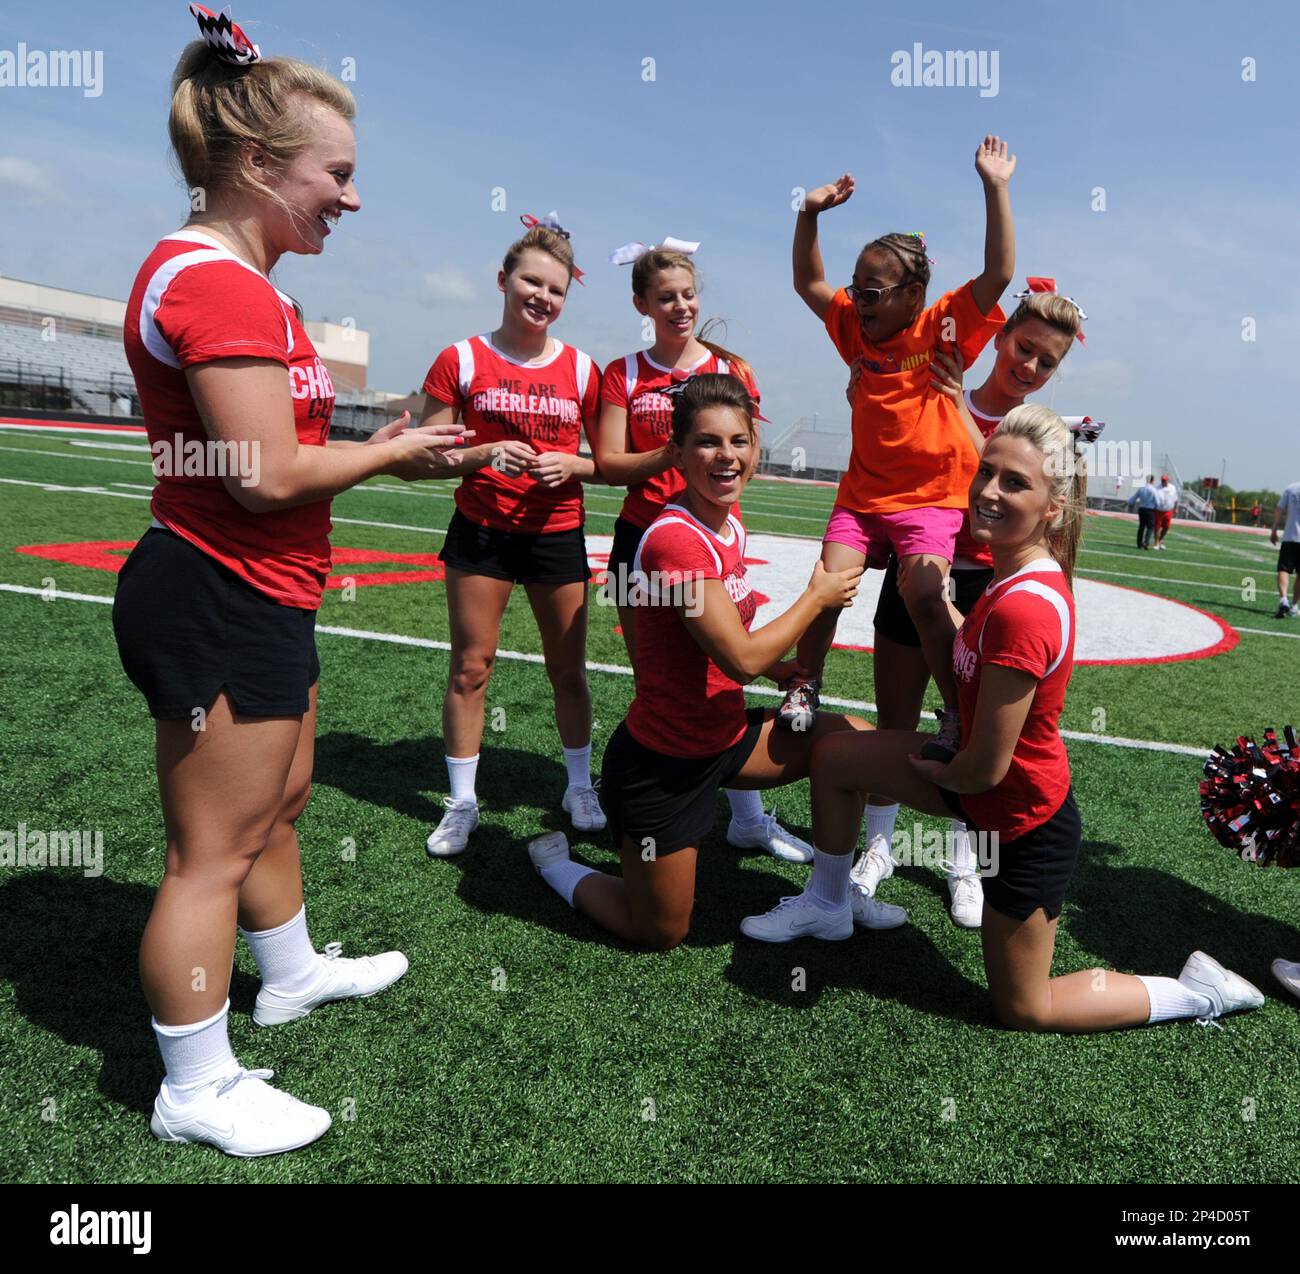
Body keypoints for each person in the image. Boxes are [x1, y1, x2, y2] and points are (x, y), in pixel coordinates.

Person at [113, 6, 467, 1156]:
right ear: (260, 166)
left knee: (279, 800)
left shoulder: (247, 280)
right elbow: (263, 472)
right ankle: (195, 1084)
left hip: (259, 584)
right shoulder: (219, 284)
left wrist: (387, 435)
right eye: (339, 174)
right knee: (207, 853)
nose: (353, 198)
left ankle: (292, 972)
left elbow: (276, 443)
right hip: (217, 584)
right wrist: (393, 452)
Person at [742, 407, 1265, 1035]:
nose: (988, 491)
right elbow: (964, 677)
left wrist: (922, 761)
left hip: (1018, 818)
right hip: (975, 788)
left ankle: (1196, 992)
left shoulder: (1025, 605)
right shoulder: (1004, 576)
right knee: (836, 758)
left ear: (1053, 506)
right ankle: (829, 903)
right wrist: (931, 613)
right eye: (985, 472)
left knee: (1024, 1007)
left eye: (1013, 482)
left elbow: (986, 767)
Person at [530, 374, 906, 948]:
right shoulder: (675, 538)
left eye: (738, 441)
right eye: (707, 442)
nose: (725, 456)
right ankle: (558, 866)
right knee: (657, 930)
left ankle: (832, 897)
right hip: (665, 761)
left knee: (852, 747)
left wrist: (784, 670)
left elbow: (729, 636)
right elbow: (740, 660)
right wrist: (818, 596)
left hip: (725, 736)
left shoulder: (726, 520)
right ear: (677, 453)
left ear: (755, 449)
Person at [856, 287, 1086, 928]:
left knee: (965, 722)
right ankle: (878, 847)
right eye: (1025, 347)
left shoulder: (1041, 435)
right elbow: (893, 465)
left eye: (1048, 362)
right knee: (894, 714)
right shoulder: (941, 387)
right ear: (1002, 333)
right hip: (921, 571)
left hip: (988, 590)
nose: (1032, 368)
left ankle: (967, 858)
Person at [781, 137, 1016, 760]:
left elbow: (998, 275)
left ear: (913, 295)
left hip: (929, 499)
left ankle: (957, 707)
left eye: (874, 290)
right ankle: (805, 683)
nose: (858, 299)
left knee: (922, 594)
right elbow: (808, 280)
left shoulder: (940, 325)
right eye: (857, 287)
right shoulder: (853, 326)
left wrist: (995, 186)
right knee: (827, 582)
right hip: (862, 496)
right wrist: (809, 213)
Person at [593, 239, 813, 864]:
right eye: (665, 297)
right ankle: (639, 798)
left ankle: (745, 814)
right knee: (663, 682)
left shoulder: (732, 368)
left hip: (715, 533)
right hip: (645, 538)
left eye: (688, 294)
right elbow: (610, 463)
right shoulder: (624, 372)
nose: (680, 306)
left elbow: (745, 448)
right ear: (643, 303)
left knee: (723, 671)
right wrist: (674, 449)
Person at [420, 219, 605, 857]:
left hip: (557, 533)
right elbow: (427, 454)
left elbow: (609, 460)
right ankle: (462, 802)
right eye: (531, 280)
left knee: (568, 671)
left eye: (556, 289)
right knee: (471, 667)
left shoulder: (583, 369)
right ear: (504, 280)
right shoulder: (460, 357)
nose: (542, 297)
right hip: (482, 532)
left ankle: (580, 785)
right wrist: (482, 454)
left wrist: (574, 465)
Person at [1272, 479, 1300, 617]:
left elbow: (1279, 509)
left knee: (1284, 569)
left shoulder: (1291, 488)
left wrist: (1274, 529)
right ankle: (1294, 606)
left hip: (1290, 536)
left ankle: (1283, 599)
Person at [1127, 474, 1159, 549]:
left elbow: (1133, 498)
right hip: (1150, 510)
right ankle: (1146, 542)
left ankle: (1139, 543)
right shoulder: (1153, 490)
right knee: (1150, 527)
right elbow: (1157, 502)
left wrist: (1129, 502)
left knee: (1141, 526)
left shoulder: (1141, 488)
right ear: (1152, 480)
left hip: (1141, 509)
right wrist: (1158, 508)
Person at [1153, 474, 1178, 550]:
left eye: (1165, 480)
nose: (1163, 481)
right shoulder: (1157, 488)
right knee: (1157, 527)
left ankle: (1160, 541)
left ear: (1168, 480)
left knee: (1166, 527)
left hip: (1168, 510)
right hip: (1159, 510)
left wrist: (1176, 508)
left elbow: (1176, 499)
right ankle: (1156, 542)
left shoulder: (1173, 488)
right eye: (1162, 480)